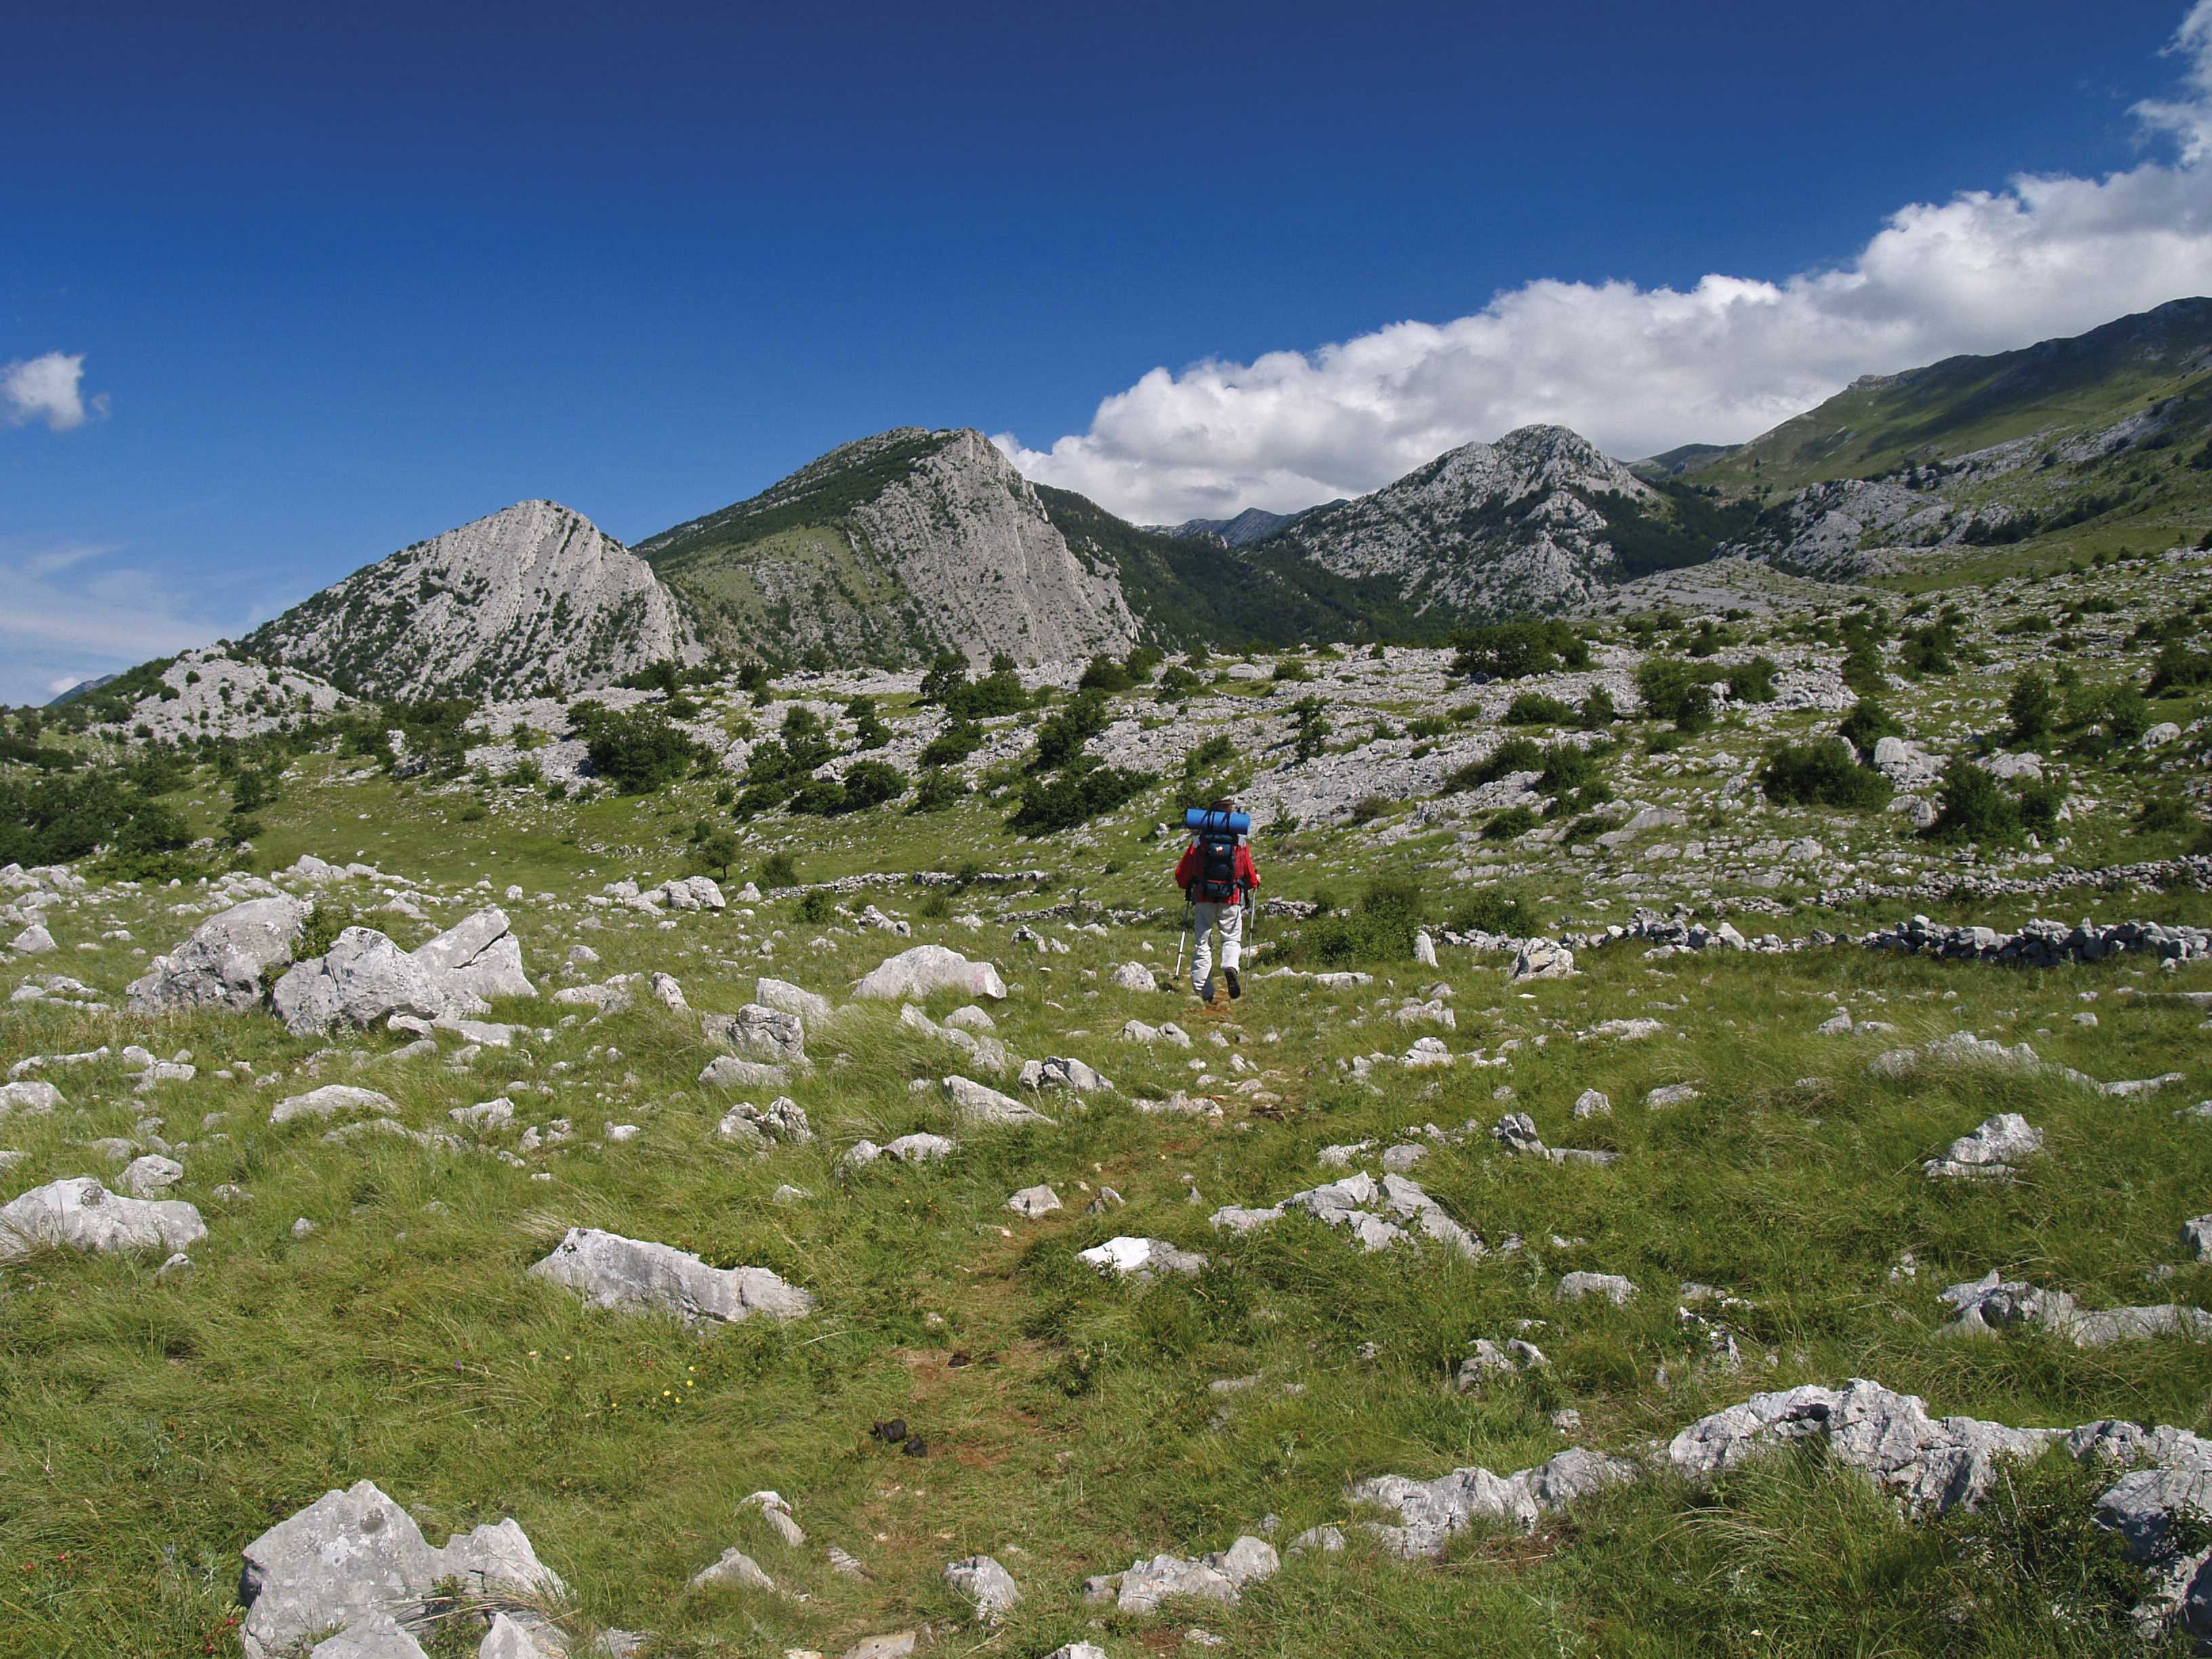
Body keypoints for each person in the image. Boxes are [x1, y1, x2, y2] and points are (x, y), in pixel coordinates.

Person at [1173, 798, 1261, 1002]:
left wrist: (1188, 883)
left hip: (1204, 897)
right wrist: (1255, 881)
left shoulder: (1200, 841)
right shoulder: (1239, 842)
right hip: (1231, 897)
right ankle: (1230, 966)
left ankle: (1204, 991)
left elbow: (1182, 874)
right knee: (1231, 938)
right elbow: (1248, 873)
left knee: (1202, 944)